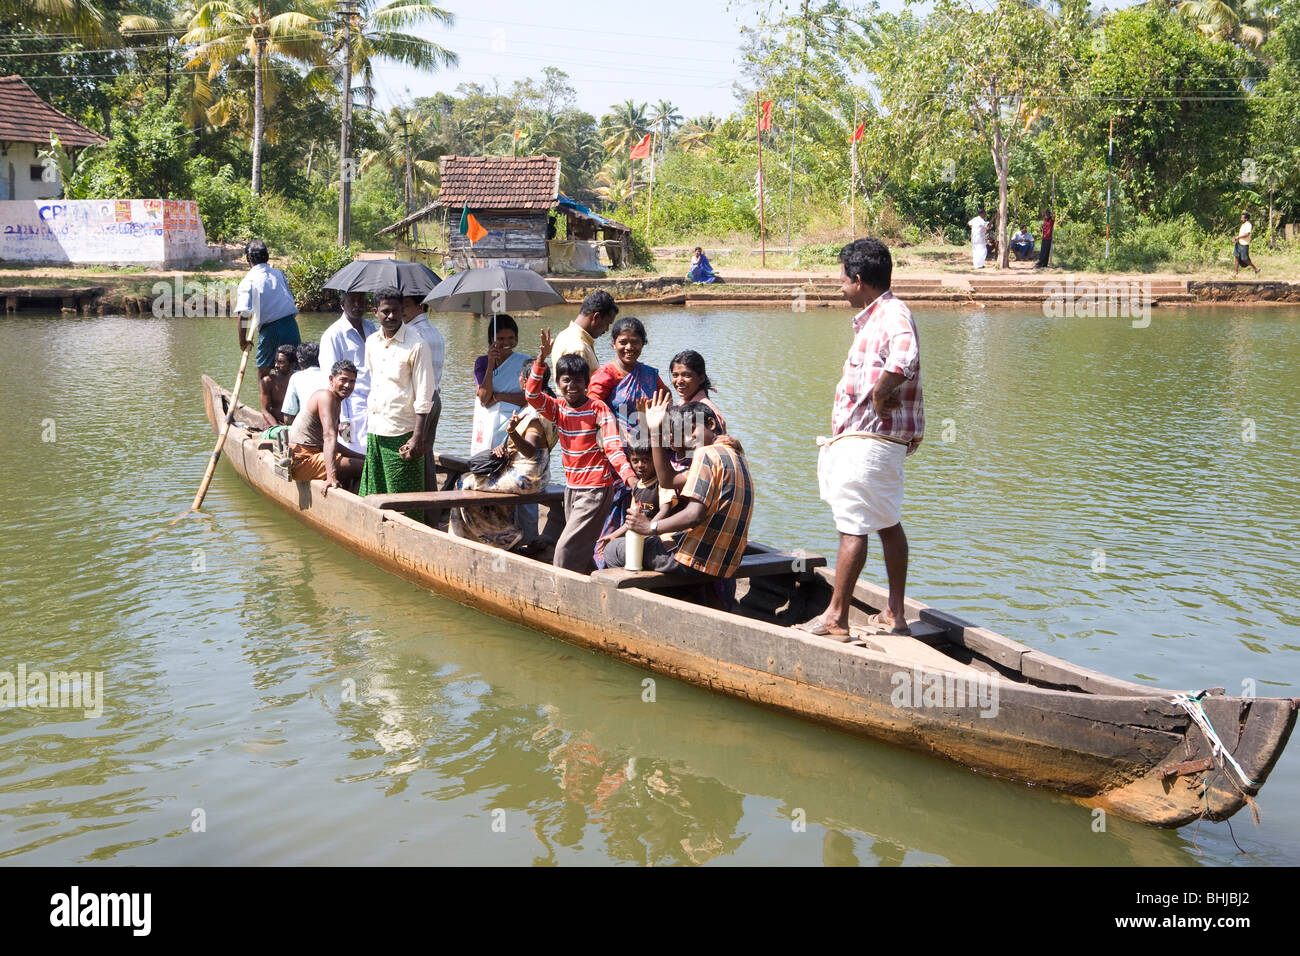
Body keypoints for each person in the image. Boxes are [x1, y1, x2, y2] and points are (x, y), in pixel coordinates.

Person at [796, 237, 923, 639]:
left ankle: (836, 617)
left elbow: (905, 359)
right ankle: (894, 614)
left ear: (858, 279)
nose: (840, 287)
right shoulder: (880, 316)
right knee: (887, 523)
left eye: (842, 280)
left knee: (853, 525)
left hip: (869, 440)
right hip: (877, 443)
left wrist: (882, 394)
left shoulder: (891, 314)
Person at [606, 394, 753, 582]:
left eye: (692, 430)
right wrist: (655, 432)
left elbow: (694, 515)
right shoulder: (737, 454)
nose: (689, 438)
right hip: (726, 561)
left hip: (696, 559)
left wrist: (650, 526)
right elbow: (668, 480)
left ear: (711, 423)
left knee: (613, 550)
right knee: (655, 541)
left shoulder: (705, 454)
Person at [527, 327, 638, 574]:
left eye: (578, 380)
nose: (572, 385)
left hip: (596, 488)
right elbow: (532, 395)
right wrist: (541, 359)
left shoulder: (598, 408)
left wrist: (629, 476)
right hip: (572, 488)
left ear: (587, 383)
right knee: (582, 549)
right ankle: (594, 585)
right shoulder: (558, 409)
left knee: (565, 549)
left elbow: (612, 446)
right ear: (558, 383)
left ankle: (559, 596)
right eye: (566, 380)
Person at [449, 360, 559, 551]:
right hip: (540, 476)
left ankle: (500, 537)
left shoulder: (534, 412)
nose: (518, 379)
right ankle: (501, 531)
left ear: (526, 381)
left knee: (464, 482)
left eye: (520, 376)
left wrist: (513, 433)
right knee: (485, 481)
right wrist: (506, 448)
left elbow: (530, 450)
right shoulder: (548, 406)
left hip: (526, 477)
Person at [587, 316, 670, 566]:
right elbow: (592, 410)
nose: (629, 347)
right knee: (612, 507)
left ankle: (633, 557)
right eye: (623, 342)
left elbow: (667, 403)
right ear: (613, 344)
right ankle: (603, 558)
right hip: (614, 458)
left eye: (635, 342)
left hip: (645, 458)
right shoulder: (606, 375)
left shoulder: (648, 375)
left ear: (643, 344)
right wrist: (614, 428)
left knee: (640, 507)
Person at [359, 288, 436, 517]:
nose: (391, 316)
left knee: (406, 498)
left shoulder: (417, 345)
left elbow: (424, 394)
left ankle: (413, 536)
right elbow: (373, 381)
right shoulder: (372, 342)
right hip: (376, 429)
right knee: (377, 492)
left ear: (403, 311)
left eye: (396, 311)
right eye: (386, 311)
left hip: (403, 430)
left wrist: (417, 436)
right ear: (375, 313)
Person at [287, 360, 366, 494]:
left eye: (352, 381)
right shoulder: (326, 396)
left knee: (365, 463)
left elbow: (332, 442)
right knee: (366, 467)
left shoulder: (337, 401)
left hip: (316, 455)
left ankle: (351, 497)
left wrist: (364, 456)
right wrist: (331, 476)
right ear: (331, 379)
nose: (348, 385)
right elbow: (329, 437)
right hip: (301, 460)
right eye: (343, 380)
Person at [401, 293, 446, 497]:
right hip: (435, 396)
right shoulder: (435, 332)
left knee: (412, 451)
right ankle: (431, 502)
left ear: (420, 306)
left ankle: (415, 500)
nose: (401, 310)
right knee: (426, 451)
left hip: (420, 400)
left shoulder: (411, 332)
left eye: (406, 305)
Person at [233, 239, 300, 377]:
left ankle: (268, 398)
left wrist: (242, 342)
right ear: (267, 257)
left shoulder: (248, 281)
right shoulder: (278, 274)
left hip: (271, 330)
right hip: (291, 326)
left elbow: (243, 314)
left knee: (264, 373)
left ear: (248, 259)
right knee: (294, 370)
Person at [319, 291, 375, 454]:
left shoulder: (371, 327)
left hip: (374, 398)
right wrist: (342, 418)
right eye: (353, 301)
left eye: (361, 300)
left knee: (372, 446)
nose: (357, 305)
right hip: (350, 402)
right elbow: (330, 380)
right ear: (343, 304)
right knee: (354, 448)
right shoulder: (333, 334)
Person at [470, 314, 530, 455]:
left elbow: (528, 399)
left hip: (515, 425)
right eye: (501, 339)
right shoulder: (482, 362)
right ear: (492, 339)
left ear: (516, 339)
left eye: (511, 338)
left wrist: (498, 397)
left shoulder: (525, 362)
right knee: (485, 464)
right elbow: (484, 399)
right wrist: (491, 363)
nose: (506, 343)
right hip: (487, 426)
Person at [550, 289, 619, 375]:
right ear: (596, 317)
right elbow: (574, 387)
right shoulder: (578, 348)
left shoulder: (563, 335)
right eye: (607, 323)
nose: (607, 329)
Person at [281, 342, 328, 425]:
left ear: (300, 362)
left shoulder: (296, 377)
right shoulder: (330, 376)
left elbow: (288, 418)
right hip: (330, 425)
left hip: (307, 429)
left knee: (268, 433)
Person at [258, 343, 297, 427]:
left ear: (292, 365)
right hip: (275, 424)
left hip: (295, 425)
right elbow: (265, 411)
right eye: (275, 361)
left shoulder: (299, 381)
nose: (276, 365)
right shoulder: (268, 382)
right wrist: (277, 427)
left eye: (281, 362)